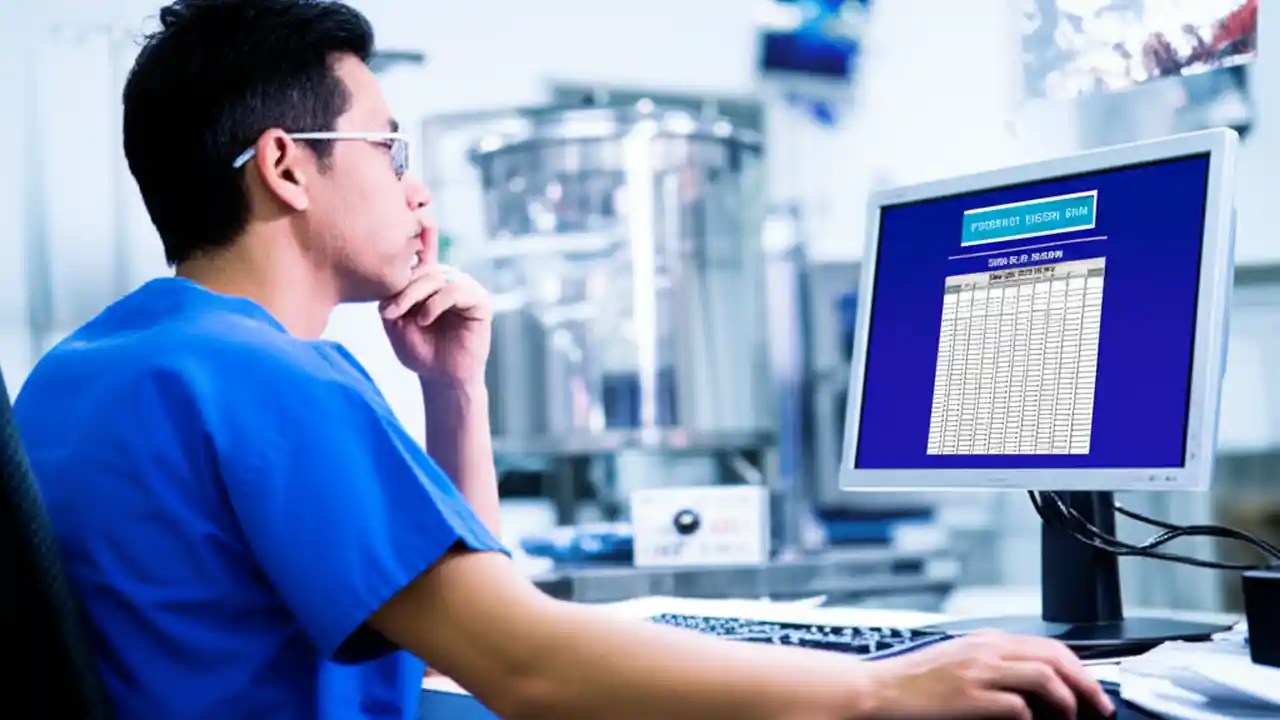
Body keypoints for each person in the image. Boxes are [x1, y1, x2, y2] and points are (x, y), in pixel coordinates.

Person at [13, 1, 1116, 719]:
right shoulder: (266, 378)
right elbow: (523, 662)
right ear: (287, 169)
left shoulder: (91, 370)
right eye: (389, 146)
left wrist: (454, 393)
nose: (416, 185)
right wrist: (881, 690)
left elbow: (460, 623)